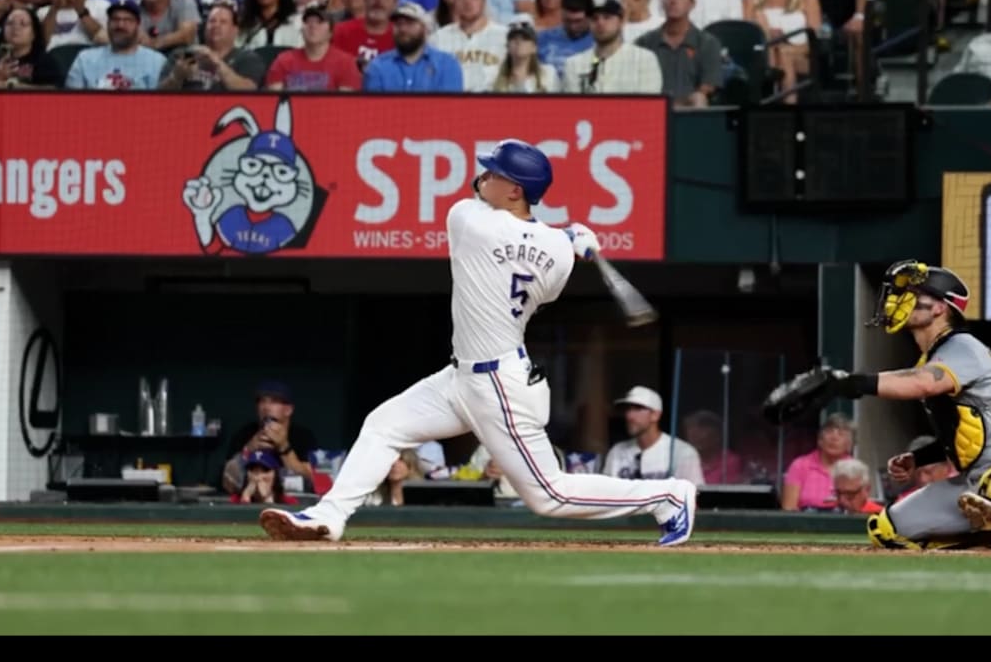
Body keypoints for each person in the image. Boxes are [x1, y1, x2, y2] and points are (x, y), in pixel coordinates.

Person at [259, 140, 698, 546]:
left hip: (498, 384)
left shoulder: (468, 221)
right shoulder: (561, 257)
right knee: (383, 425)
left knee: (550, 495)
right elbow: (538, 258)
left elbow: (489, 211)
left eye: (494, 173)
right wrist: (570, 237)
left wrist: (564, 233)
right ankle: (329, 516)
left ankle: (669, 496)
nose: (483, 177)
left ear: (515, 190)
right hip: (462, 376)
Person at [761, 260, 991, 552]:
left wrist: (846, 382)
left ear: (939, 307)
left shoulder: (962, 345)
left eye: (912, 294)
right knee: (887, 529)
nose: (900, 299)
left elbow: (922, 382)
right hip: (975, 481)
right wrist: (920, 457)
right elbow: (969, 429)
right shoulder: (932, 359)